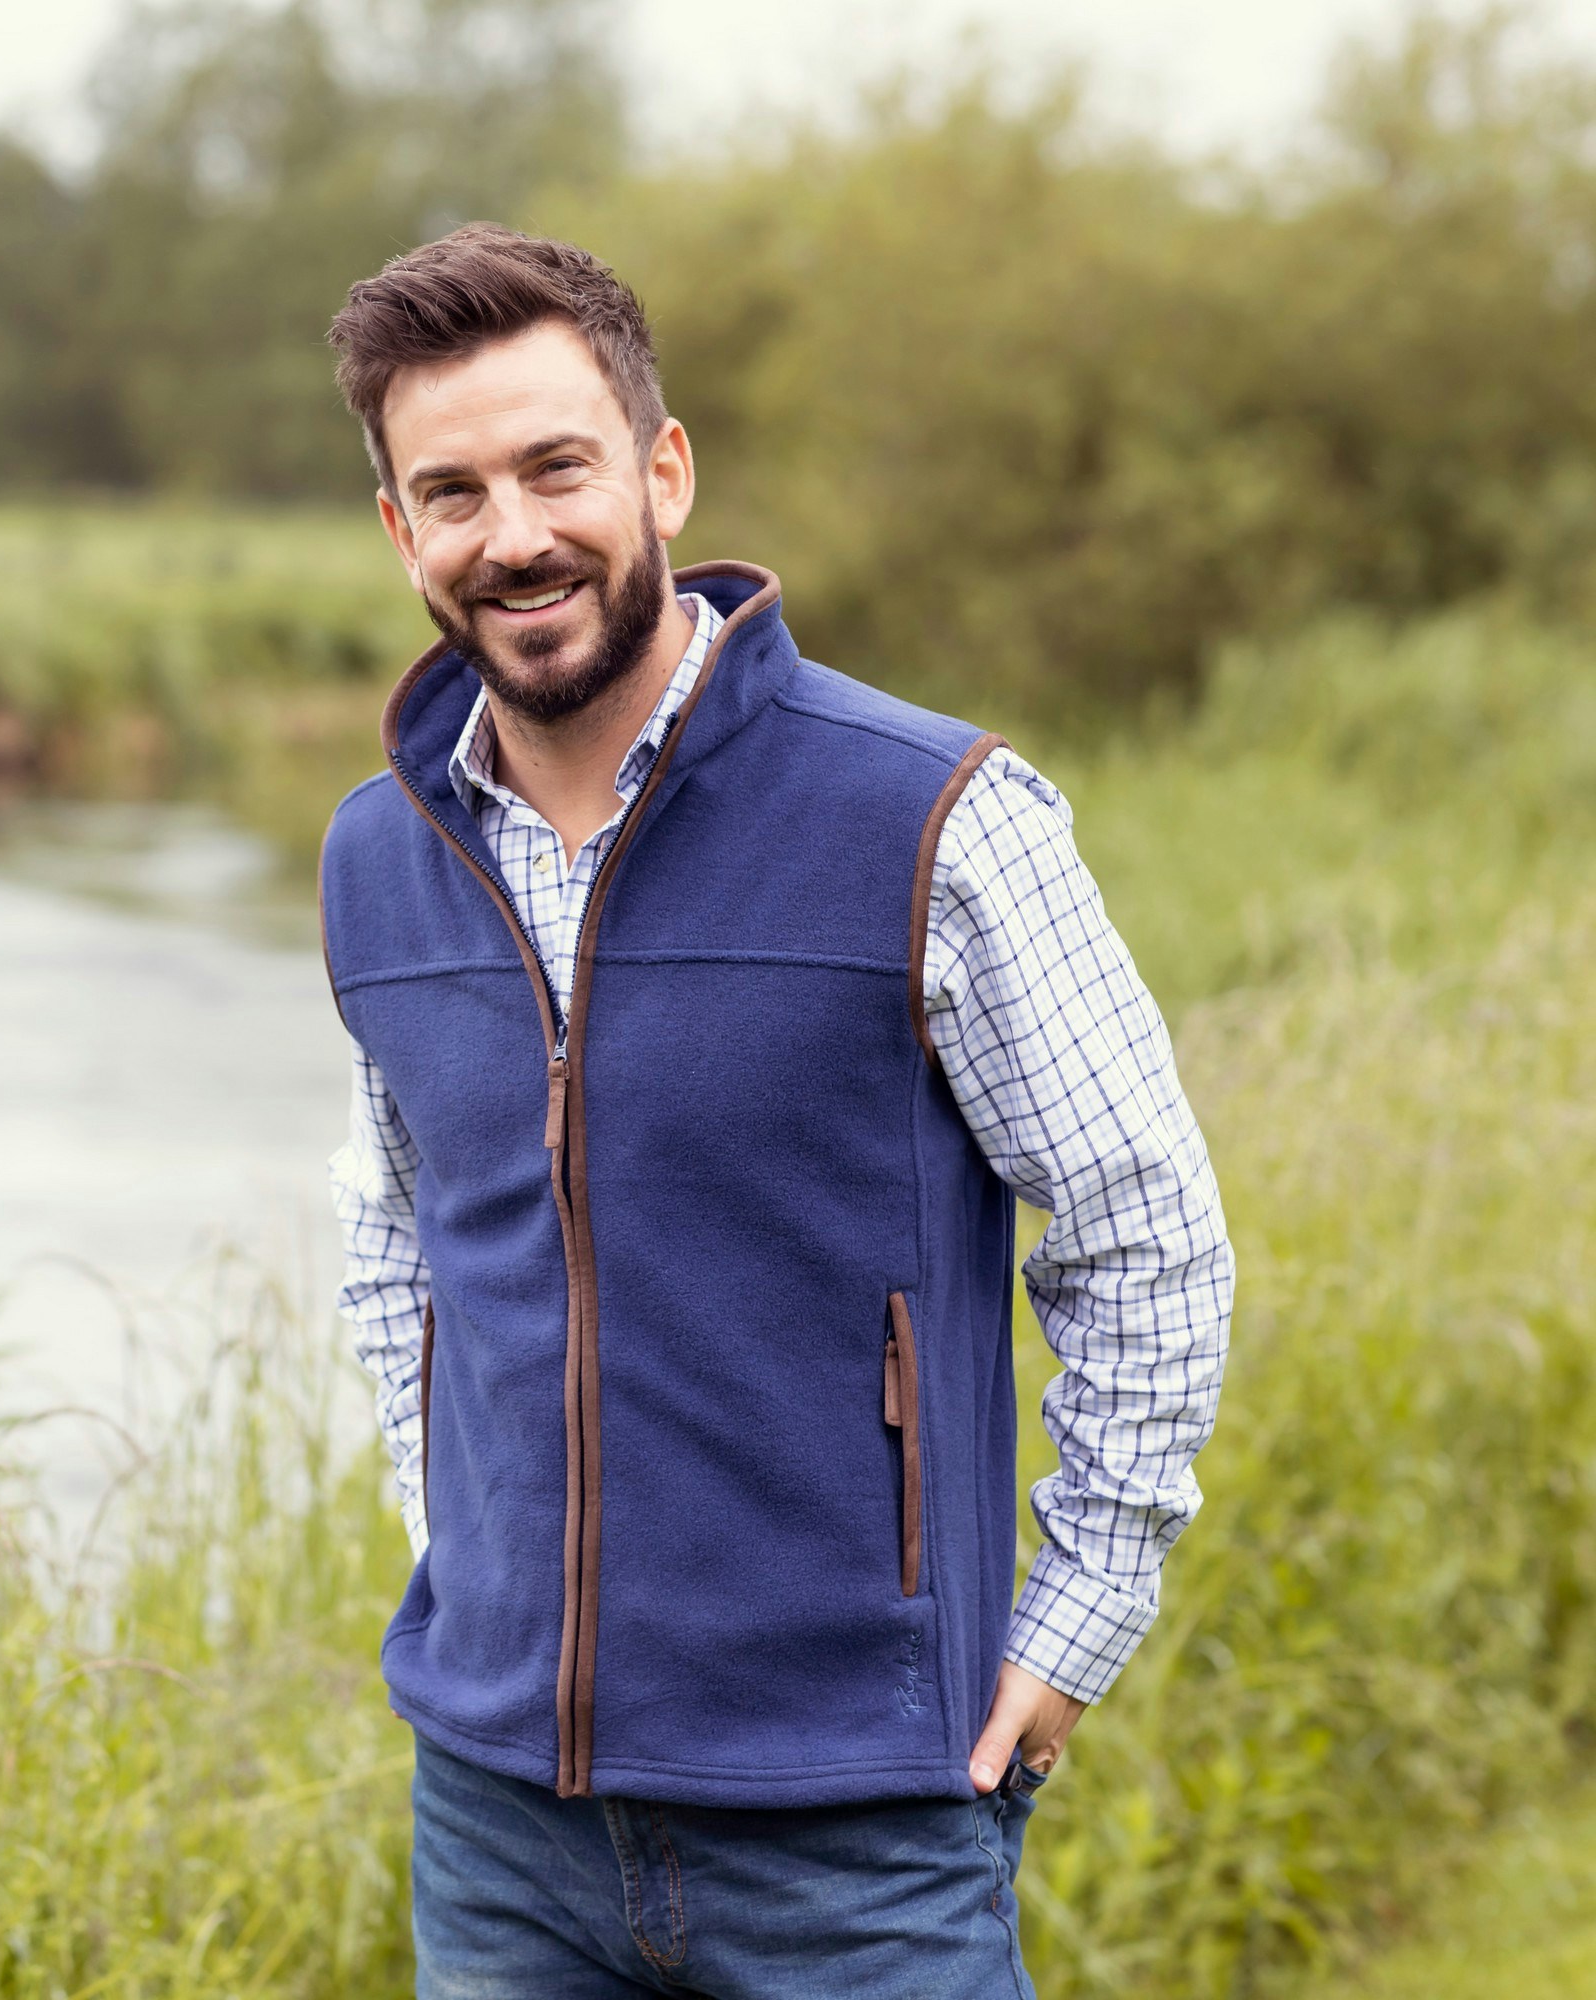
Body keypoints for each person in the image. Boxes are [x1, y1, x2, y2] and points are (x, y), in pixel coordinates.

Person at [317, 224, 1232, 1997]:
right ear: (399, 532)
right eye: (451, 490)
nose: (513, 534)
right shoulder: (379, 856)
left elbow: (1144, 1231)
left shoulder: (936, 817)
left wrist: (1070, 1628)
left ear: (661, 470)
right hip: (503, 1831)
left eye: (554, 466)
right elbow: (392, 1233)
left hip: (860, 1825)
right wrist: (470, 1552)